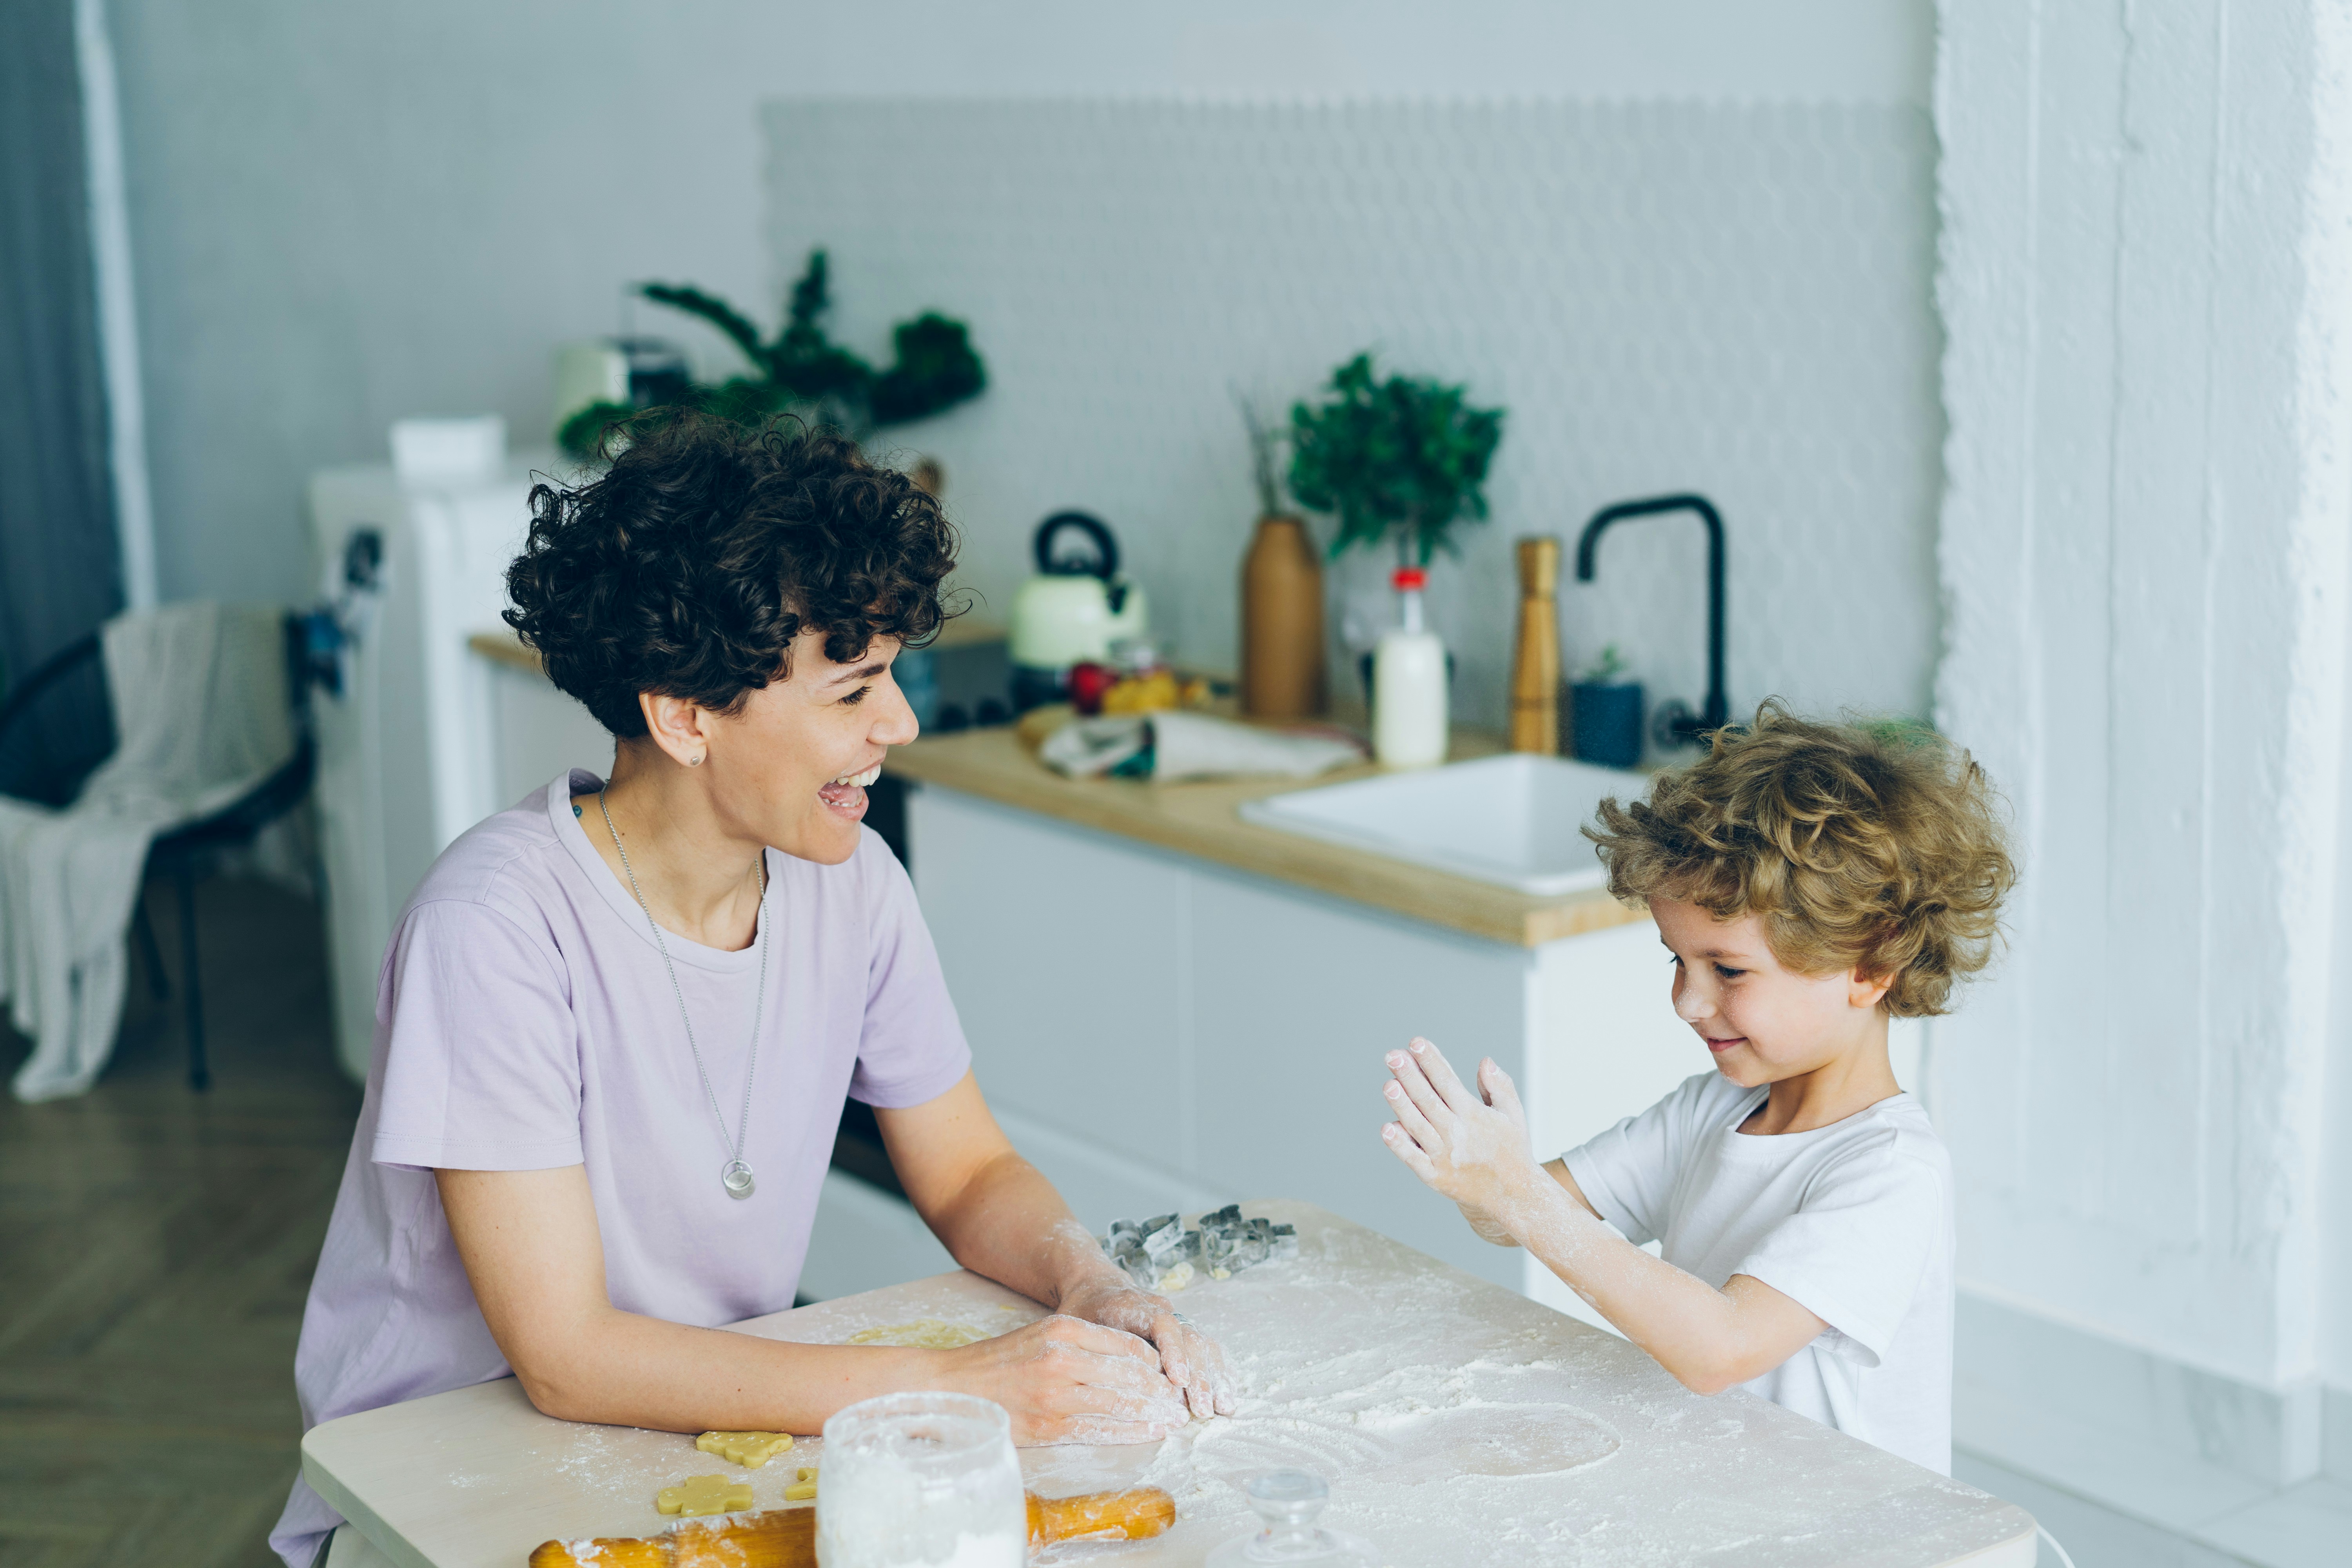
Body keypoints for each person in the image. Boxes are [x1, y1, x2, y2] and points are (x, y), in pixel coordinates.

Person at [271, 413, 1230, 1568]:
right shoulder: (494, 930)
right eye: (852, 691)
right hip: (436, 1484)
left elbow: (969, 1169)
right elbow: (566, 1356)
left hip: (698, 1436)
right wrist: (953, 1390)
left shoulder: (854, 882)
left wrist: (1089, 1282)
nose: (902, 724)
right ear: (685, 717)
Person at [1377, 703, 2013, 1474]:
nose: (1687, 999)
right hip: (1727, 1499)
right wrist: (1482, 1172)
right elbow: (1516, 1217)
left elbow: (1722, 1348)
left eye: (1729, 969)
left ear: (1871, 965)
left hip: (1855, 1535)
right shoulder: (1713, 1109)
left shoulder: (1888, 1172)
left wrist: (1517, 1195)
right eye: (1675, 959)